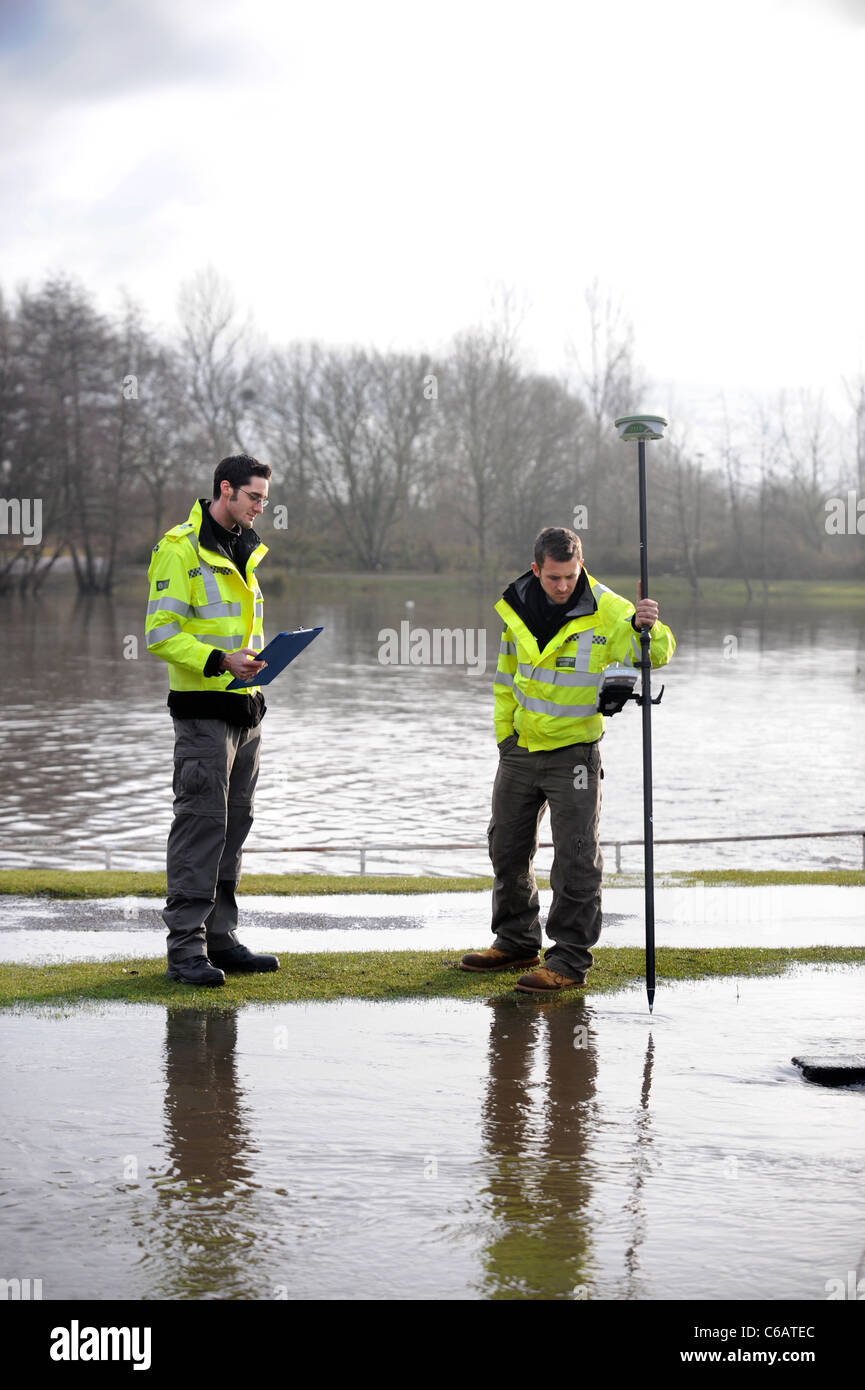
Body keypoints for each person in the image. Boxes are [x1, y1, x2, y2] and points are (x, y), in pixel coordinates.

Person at [460, 526, 676, 994]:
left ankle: (569, 959)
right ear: (536, 569)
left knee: (576, 859)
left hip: (575, 752)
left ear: (581, 567)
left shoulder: (611, 609)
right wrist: (505, 735)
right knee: (507, 848)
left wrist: (649, 627)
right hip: (519, 749)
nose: (563, 586)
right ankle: (516, 940)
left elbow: (656, 655)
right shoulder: (515, 607)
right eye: (554, 577)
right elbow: (504, 679)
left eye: (571, 577)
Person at [145, 454, 280, 987]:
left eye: (264, 500)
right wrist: (220, 661)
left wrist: (260, 660)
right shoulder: (179, 549)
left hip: (247, 711)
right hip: (203, 715)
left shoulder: (246, 549)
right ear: (225, 490)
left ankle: (220, 940)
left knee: (234, 827)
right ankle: (185, 951)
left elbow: (237, 632)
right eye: (254, 498)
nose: (260, 508)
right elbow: (160, 633)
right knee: (200, 828)